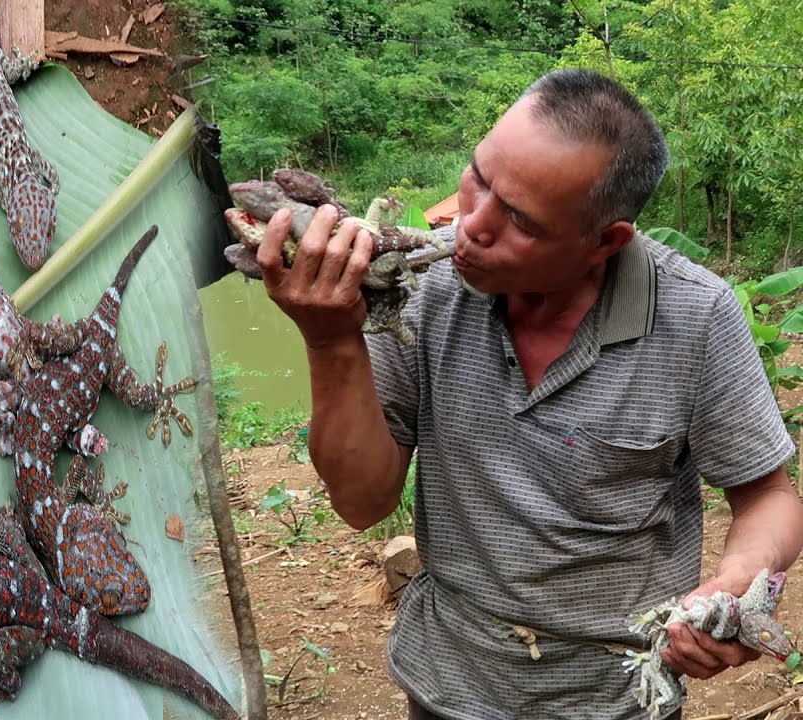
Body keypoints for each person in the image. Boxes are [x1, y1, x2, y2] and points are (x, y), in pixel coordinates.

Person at [253, 67, 803, 719]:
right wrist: (331, 341)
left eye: (520, 221)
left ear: (606, 241)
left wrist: (739, 587)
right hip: (448, 683)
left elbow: (768, 495)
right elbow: (362, 503)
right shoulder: (424, 289)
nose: (471, 226)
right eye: (477, 178)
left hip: (615, 697)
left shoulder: (696, 316)